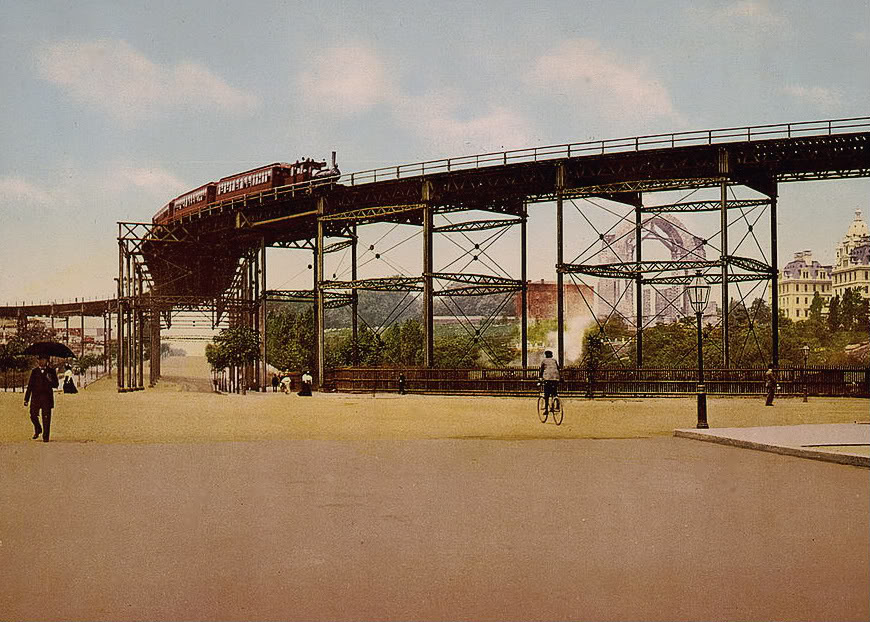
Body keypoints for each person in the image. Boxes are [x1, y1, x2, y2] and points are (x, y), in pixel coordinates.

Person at [24, 355, 59, 442]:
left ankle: (46, 436)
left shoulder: (51, 371)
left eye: (43, 360)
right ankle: (38, 428)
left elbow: (56, 385)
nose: (41, 361)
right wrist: (26, 399)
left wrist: (50, 379)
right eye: (40, 360)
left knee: (46, 417)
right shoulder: (34, 371)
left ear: (47, 361)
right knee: (33, 415)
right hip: (36, 397)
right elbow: (30, 386)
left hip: (46, 397)